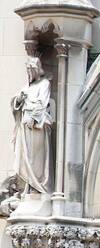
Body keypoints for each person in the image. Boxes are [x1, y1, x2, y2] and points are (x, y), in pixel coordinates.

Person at [11, 56, 53, 195]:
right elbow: (15, 102)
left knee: (35, 159)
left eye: (30, 71)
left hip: (36, 126)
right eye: (27, 71)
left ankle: (38, 187)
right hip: (25, 126)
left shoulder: (44, 83)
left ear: (35, 70)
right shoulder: (27, 87)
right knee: (26, 157)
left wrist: (34, 118)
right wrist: (19, 99)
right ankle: (28, 187)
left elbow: (43, 102)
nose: (29, 74)